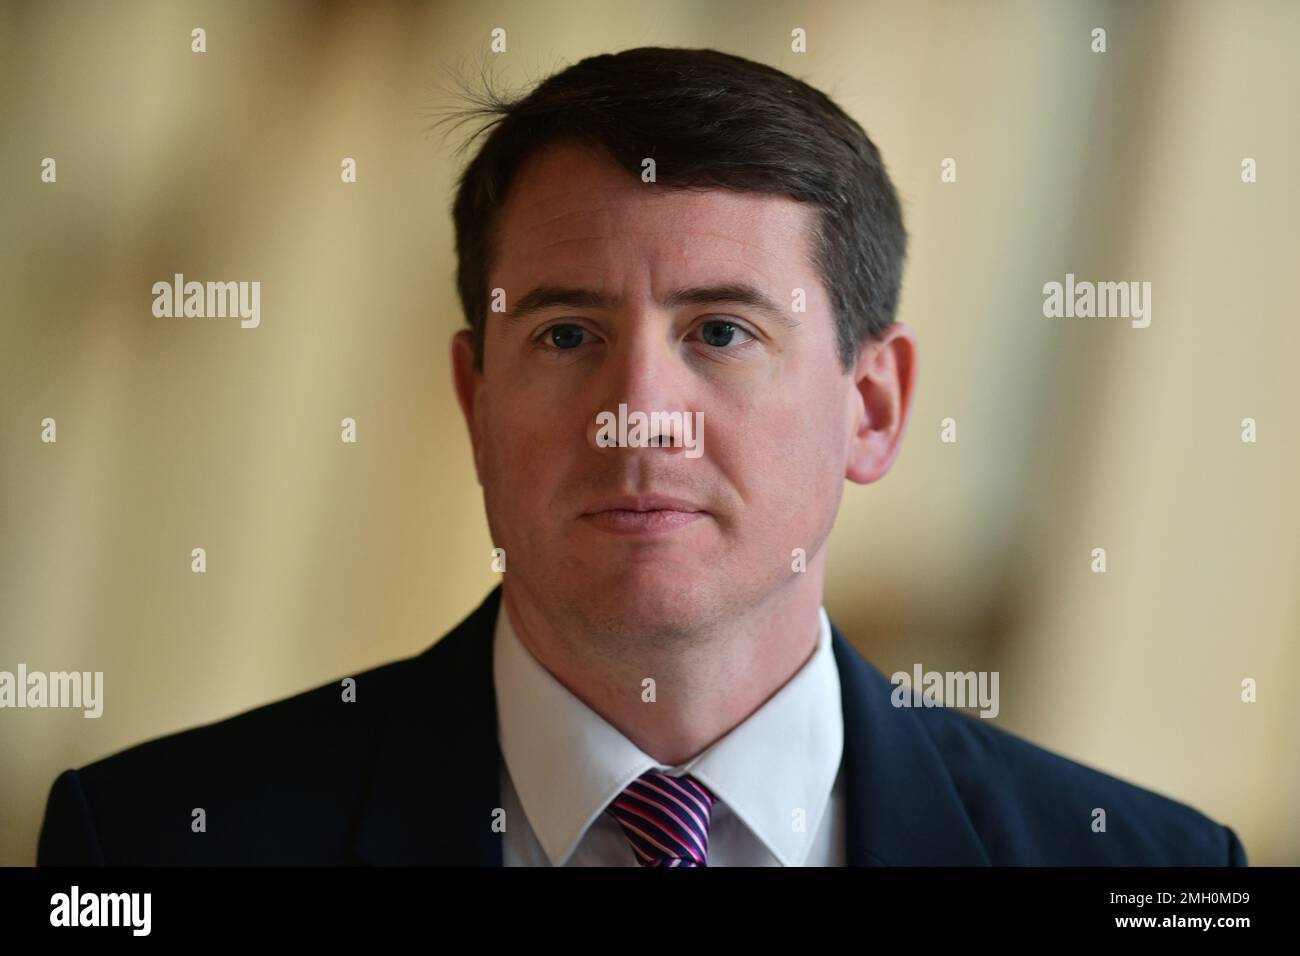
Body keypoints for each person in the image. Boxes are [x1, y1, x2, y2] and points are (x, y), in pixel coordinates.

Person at [37, 47, 1245, 867]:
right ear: (473, 399)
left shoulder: (1149, 867)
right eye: (568, 335)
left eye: (721, 331)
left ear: (870, 406)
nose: (637, 415)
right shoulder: (154, 842)